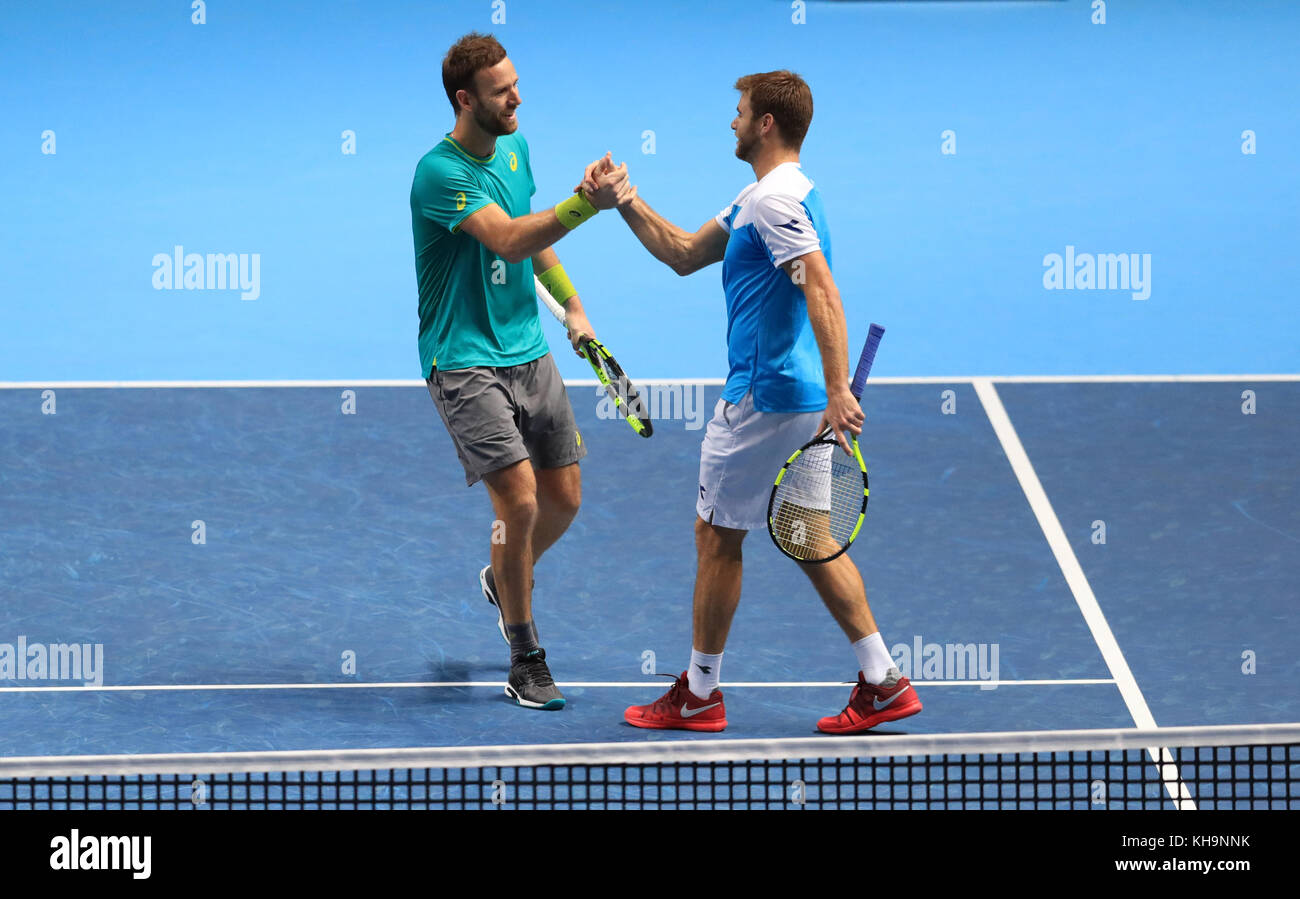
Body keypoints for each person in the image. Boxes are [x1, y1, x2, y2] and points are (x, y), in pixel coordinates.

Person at [585, 70, 921, 733]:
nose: (732, 121)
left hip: (762, 399)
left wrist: (836, 389)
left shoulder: (771, 204)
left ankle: (701, 692)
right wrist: (624, 198)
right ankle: (883, 679)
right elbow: (682, 253)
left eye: (740, 112)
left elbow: (821, 287)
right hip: (797, 399)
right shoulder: (776, 195)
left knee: (715, 536)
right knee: (812, 538)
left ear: (767, 122)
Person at [411, 32, 631, 711]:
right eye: (503, 89)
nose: (517, 96)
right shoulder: (438, 174)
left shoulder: (516, 148)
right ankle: (525, 656)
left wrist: (573, 306)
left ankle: (505, 572)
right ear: (464, 99)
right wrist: (584, 207)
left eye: (516, 82)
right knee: (521, 502)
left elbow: (534, 240)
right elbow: (507, 236)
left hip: (528, 348)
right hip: (465, 359)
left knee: (564, 498)